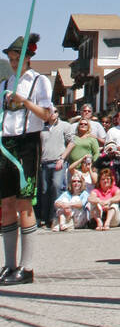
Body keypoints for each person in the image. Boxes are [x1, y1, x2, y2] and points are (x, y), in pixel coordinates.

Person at [0, 33, 52, 285]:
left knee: (24, 203)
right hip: (5, 144)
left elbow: (47, 115)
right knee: (6, 204)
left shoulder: (39, 81)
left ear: (28, 58)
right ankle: (9, 264)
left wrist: (25, 102)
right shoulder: (4, 84)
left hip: (27, 143)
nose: (13, 63)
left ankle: (27, 267)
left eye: (16, 58)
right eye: (10, 59)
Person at [38, 109, 74, 227]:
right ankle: (44, 217)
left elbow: (72, 143)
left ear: (58, 113)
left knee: (57, 186)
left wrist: (62, 158)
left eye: (55, 111)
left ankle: (55, 217)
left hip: (58, 161)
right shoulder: (41, 127)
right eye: (50, 111)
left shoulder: (65, 126)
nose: (53, 113)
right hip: (44, 162)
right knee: (44, 190)